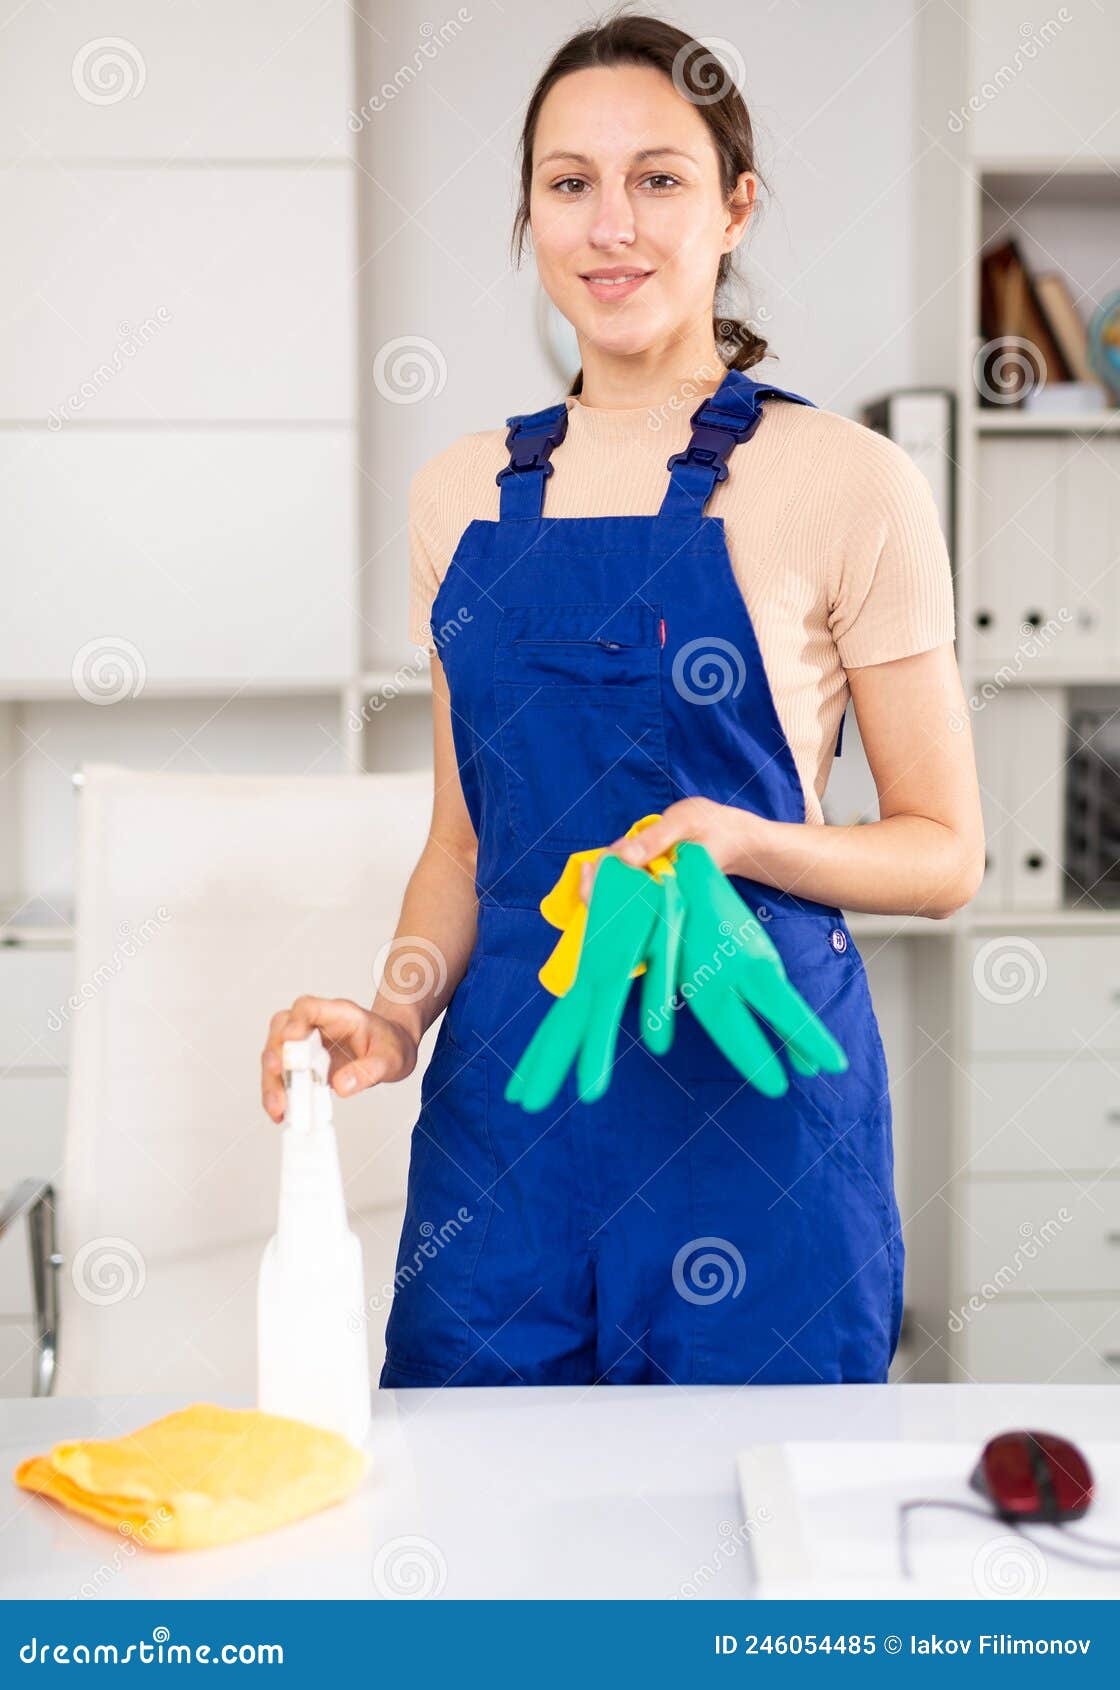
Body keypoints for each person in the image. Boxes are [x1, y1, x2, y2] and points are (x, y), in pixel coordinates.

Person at [261, 13, 984, 1388]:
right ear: (529, 214)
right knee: (479, 1564)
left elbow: (944, 850)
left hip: (758, 1135)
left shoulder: (851, 481)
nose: (613, 226)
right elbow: (464, 848)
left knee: (748, 1575)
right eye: (568, 183)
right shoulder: (459, 496)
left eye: (659, 178)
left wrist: (744, 838)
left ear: (734, 206)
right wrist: (395, 1014)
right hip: (511, 1136)